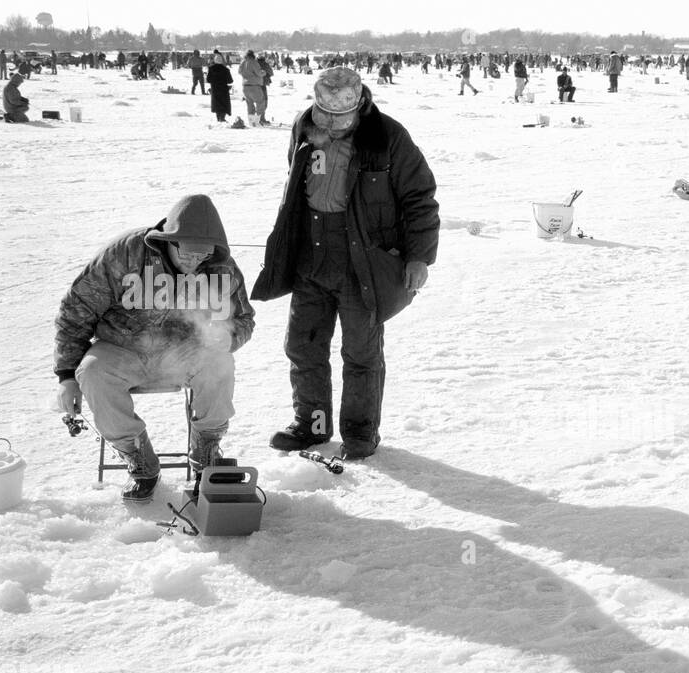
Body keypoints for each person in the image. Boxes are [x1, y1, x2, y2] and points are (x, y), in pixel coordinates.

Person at [251, 67, 440, 461]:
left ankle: (359, 433)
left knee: (361, 353)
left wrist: (419, 256)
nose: (332, 126)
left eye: (340, 120)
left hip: (363, 261)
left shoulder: (388, 137)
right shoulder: (304, 126)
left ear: (358, 105)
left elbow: (420, 197)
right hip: (311, 256)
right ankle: (312, 425)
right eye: (326, 118)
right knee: (304, 346)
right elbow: (296, 185)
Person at [54, 194, 255, 501]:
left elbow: (243, 318)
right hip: (122, 347)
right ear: (169, 240)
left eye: (203, 255)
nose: (194, 261)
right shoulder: (125, 253)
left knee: (220, 363)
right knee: (92, 372)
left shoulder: (220, 267)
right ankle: (140, 460)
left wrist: (228, 337)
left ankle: (206, 456)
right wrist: (67, 376)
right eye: (187, 252)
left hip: (184, 352)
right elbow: (75, 310)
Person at [239, 50, 267, 127]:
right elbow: (259, 73)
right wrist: (263, 72)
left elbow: (239, 71)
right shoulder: (253, 62)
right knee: (260, 103)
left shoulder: (243, 62)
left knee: (249, 105)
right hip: (254, 86)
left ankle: (252, 122)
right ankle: (259, 121)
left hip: (245, 86)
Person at [206, 53, 233, 123]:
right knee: (224, 103)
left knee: (216, 103)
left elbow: (208, 80)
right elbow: (230, 80)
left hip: (214, 89)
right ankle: (222, 118)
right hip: (224, 89)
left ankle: (218, 118)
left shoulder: (211, 68)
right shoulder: (226, 69)